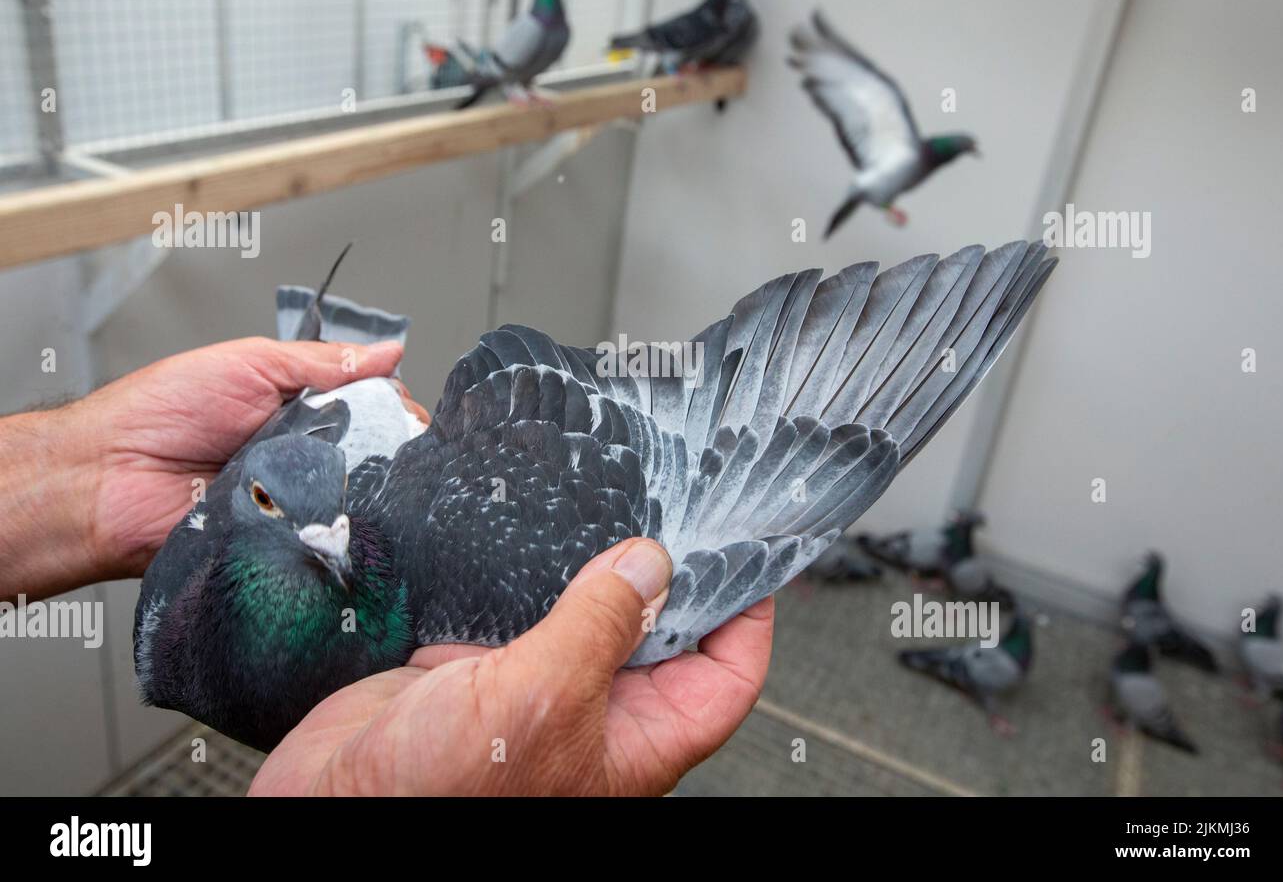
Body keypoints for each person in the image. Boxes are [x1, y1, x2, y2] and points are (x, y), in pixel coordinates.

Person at [0, 338, 773, 795]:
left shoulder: (390, 553)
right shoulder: (166, 646)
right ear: (248, 502)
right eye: (268, 505)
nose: (329, 543)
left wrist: (76, 466)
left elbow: (310, 495)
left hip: (354, 450)